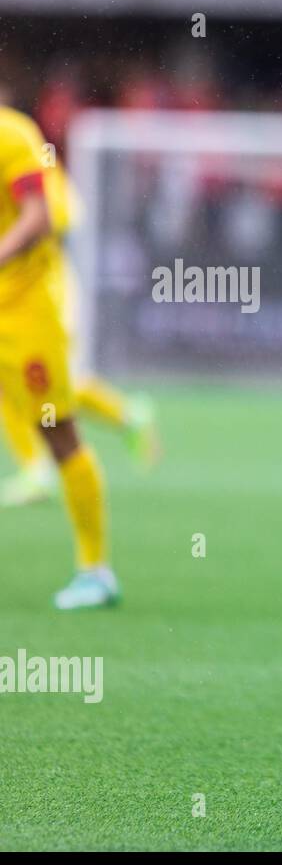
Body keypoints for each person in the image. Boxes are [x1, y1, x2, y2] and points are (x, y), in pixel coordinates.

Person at [0, 106, 118, 608]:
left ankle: (96, 571)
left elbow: (39, 217)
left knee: (58, 431)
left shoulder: (12, 134)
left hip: (26, 311)